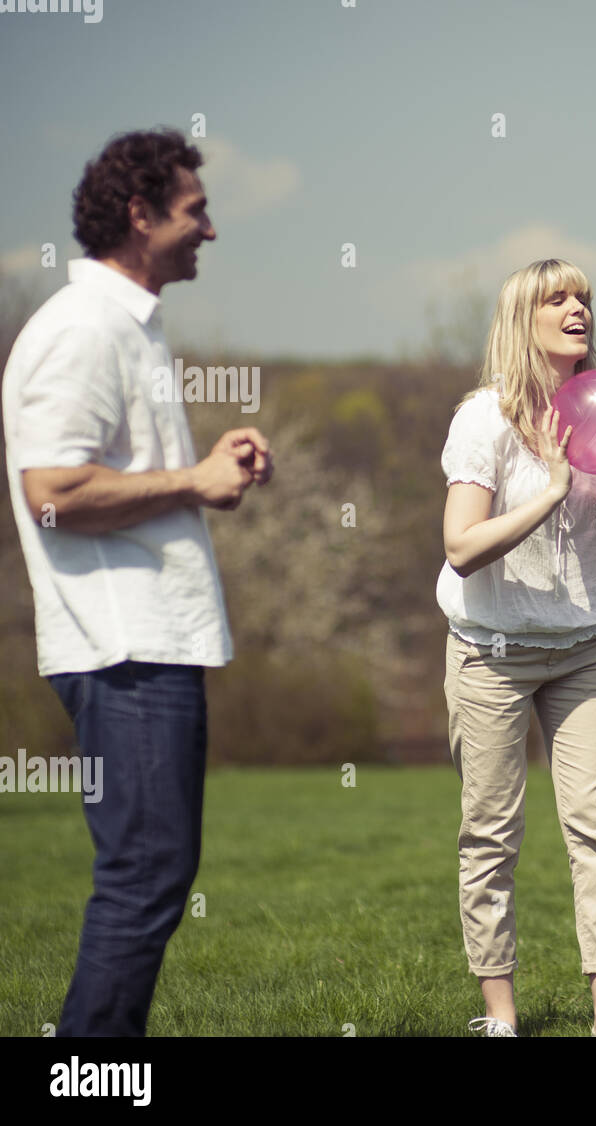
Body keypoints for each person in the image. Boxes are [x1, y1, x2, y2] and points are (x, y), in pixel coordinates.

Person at [2, 128, 273, 1036]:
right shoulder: (82, 331)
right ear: (139, 214)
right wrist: (194, 482)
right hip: (122, 647)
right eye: (196, 211)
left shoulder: (127, 327)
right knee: (144, 879)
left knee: (151, 876)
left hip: (148, 642)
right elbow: (52, 492)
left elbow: (107, 476)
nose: (211, 230)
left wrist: (207, 466)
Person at [438, 258, 596, 1037]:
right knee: (491, 833)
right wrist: (547, 493)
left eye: (585, 298)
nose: (579, 309)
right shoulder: (486, 419)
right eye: (559, 298)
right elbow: (461, 547)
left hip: (583, 648)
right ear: (524, 319)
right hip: (491, 653)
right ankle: (500, 1019)